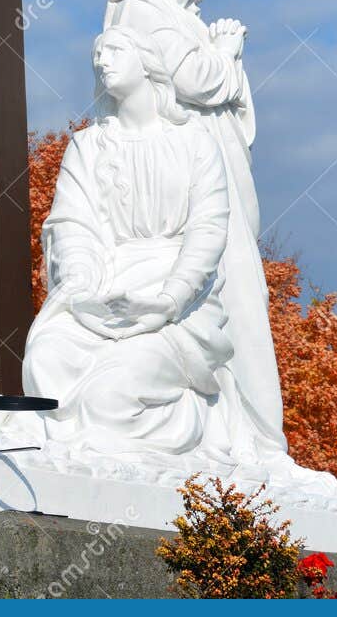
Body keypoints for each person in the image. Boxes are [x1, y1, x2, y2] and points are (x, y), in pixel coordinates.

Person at [104, 0, 286, 455]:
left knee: (238, 288)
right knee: (223, 285)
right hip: (179, 175)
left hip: (215, 162)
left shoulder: (187, 21)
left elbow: (218, 94)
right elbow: (194, 80)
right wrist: (225, 54)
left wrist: (216, 55)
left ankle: (247, 431)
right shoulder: (140, 5)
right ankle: (242, 430)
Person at [24, 27, 239, 462]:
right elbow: (73, 224)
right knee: (45, 359)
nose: (102, 60)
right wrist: (81, 289)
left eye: (114, 50)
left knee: (108, 397)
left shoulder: (194, 142)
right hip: (103, 291)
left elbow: (208, 229)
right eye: (97, 53)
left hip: (177, 304)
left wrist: (168, 300)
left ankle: (188, 423)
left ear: (147, 62)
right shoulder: (88, 146)